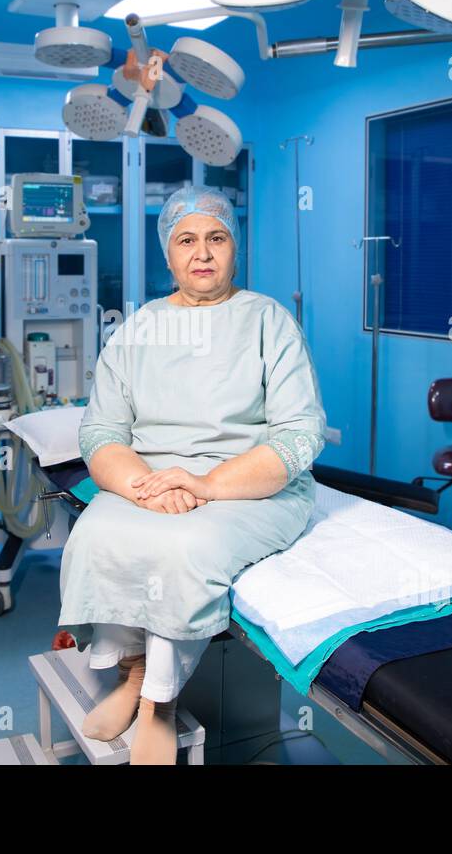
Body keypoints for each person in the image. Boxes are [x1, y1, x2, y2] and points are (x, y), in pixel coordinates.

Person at [58, 185, 326, 764]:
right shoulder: (137, 329)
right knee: (99, 532)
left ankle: (159, 701)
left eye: (216, 238)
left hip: (249, 483)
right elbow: (102, 432)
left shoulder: (268, 322)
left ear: (234, 247)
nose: (202, 252)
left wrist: (204, 485)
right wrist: (140, 489)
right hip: (150, 479)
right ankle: (132, 673)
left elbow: (299, 435)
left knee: (187, 547)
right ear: (168, 253)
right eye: (186, 240)